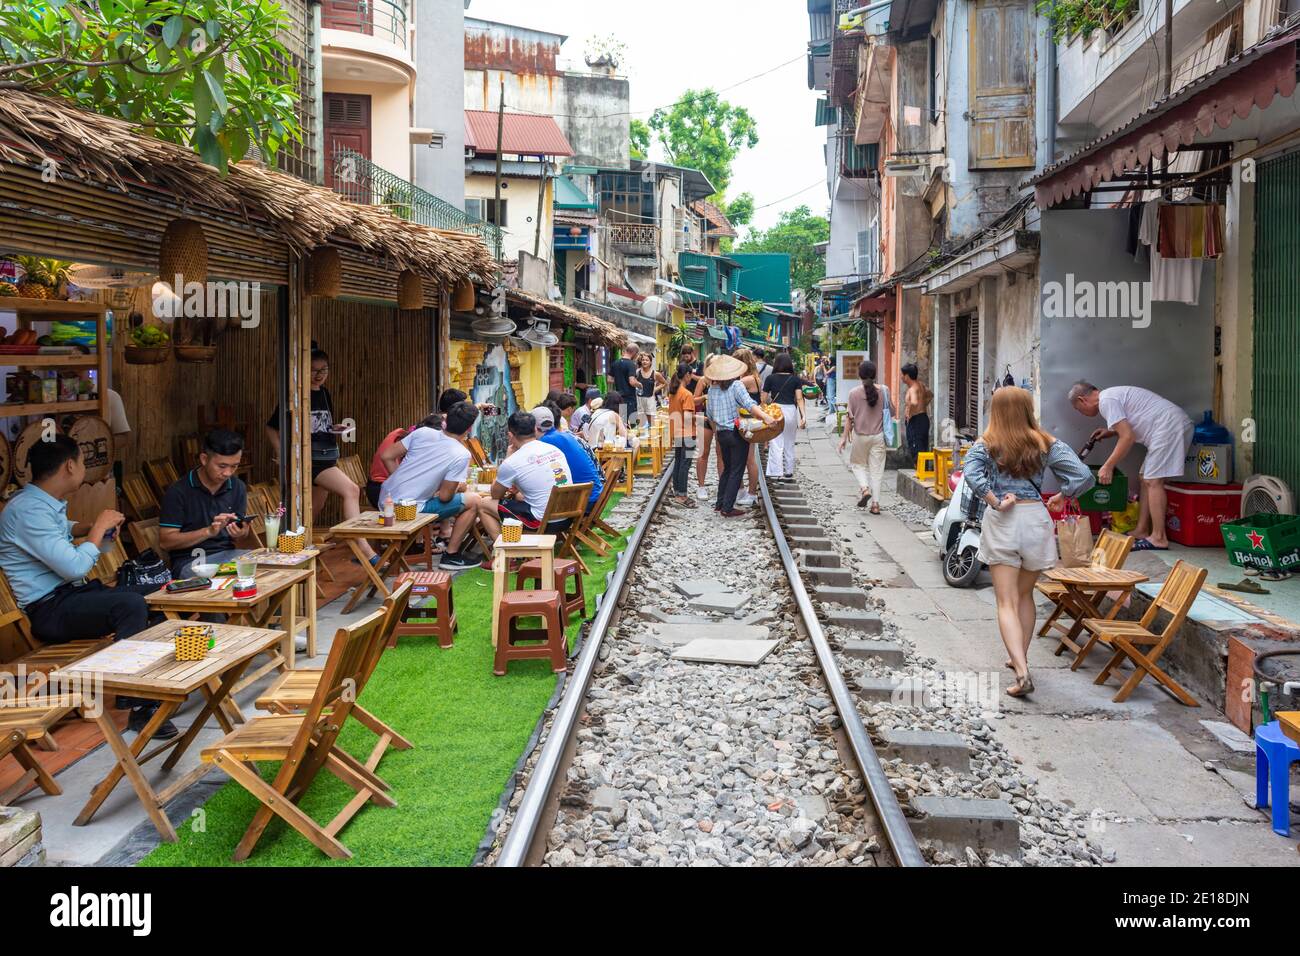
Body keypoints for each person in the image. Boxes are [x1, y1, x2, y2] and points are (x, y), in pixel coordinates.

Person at [0, 435, 174, 736]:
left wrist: (91, 527)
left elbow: (60, 530)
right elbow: (74, 567)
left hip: (72, 598)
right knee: (130, 605)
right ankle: (140, 705)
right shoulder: (27, 511)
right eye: (82, 461)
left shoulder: (40, 504)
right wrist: (98, 529)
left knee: (160, 591)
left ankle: (144, 685)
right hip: (50, 610)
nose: (83, 467)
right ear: (70, 465)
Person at [962, 388, 1094, 698]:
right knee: (1024, 595)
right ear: (1027, 409)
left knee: (1006, 601)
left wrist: (996, 501)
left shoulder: (986, 443)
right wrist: (1063, 495)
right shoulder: (1046, 442)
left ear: (996, 411)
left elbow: (971, 474)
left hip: (1004, 519)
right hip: (1036, 519)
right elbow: (1083, 475)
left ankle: (1021, 671)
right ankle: (1019, 656)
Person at [265, 347, 377, 563]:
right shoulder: (296, 396)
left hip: (327, 455)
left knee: (313, 511)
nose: (319, 375)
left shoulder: (324, 393)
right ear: (304, 370)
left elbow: (319, 425)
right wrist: (281, 453)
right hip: (311, 461)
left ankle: (296, 552)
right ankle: (365, 550)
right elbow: (271, 427)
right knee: (351, 490)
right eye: (314, 370)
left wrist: (334, 428)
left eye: (323, 369)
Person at [1068, 381, 1193, 550]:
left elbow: (1127, 437)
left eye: (1078, 409)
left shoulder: (1106, 401)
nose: (1081, 413)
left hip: (1169, 426)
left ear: (1082, 400)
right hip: (1167, 426)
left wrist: (1108, 466)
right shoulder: (1110, 396)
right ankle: (1142, 530)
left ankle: (1159, 537)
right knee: (1145, 478)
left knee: (1153, 481)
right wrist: (1111, 431)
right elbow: (1129, 424)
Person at [379, 401, 483, 571]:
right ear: (469, 428)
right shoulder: (461, 453)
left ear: (446, 419)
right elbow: (445, 497)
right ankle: (451, 555)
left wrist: (402, 484)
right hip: (411, 509)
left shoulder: (422, 432)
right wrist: (456, 487)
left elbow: (387, 455)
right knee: (475, 501)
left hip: (385, 499)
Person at [159, 429, 253, 578]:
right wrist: (208, 531)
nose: (228, 473)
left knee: (264, 568)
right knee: (235, 578)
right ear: (204, 459)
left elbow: (242, 533)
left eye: (234, 466)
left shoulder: (237, 487)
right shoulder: (178, 491)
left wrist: (242, 532)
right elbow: (166, 542)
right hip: (192, 561)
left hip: (228, 555)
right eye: (222, 466)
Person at [475, 412, 573, 548]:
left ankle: (506, 551)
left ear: (510, 435)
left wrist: (508, 458)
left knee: (483, 504)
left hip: (541, 521)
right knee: (519, 497)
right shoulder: (554, 450)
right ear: (535, 429)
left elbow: (495, 495)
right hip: (567, 517)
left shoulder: (512, 461)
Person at [702, 353, 775, 516]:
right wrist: (766, 417)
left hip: (721, 433)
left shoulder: (712, 390)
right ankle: (727, 508)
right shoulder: (736, 386)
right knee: (736, 470)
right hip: (735, 434)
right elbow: (750, 405)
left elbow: (710, 415)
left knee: (727, 468)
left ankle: (720, 503)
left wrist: (717, 431)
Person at [838, 360, 896, 514]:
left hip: (860, 436)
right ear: (875, 374)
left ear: (860, 375)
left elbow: (849, 419)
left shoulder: (853, 393)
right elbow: (892, 412)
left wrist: (843, 438)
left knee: (857, 465)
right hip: (878, 436)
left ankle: (864, 489)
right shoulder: (884, 390)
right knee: (877, 471)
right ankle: (875, 505)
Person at [534, 404, 603, 512]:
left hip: (582, 502)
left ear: (533, 427)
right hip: (593, 496)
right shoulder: (567, 436)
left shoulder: (544, 443)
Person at [762, 353, 807, 480]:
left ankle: (776, 471)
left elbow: (763, 399)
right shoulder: (795, 379)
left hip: (775, 411)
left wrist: (764, 412)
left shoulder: (770, 378)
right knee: (789, 441)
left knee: (775, 442)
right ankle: (788, 471)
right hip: (791, 411)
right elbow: (799, 398)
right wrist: (803, 416)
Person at [731, 348, 764, 506]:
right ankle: (744, 491)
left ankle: (751, 494)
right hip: (749, 422)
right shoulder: (754, 377)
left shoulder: (746, 380)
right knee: (744, 458)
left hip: (748, 423)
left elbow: (731, 388)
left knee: (749, 459)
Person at [667, 361, 698, 507]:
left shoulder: (673, 392)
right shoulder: (687, 394)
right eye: (691, 375)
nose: (691, 378)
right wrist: (702, 418)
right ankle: (682, 496)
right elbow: (687, 418)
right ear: (687, 375)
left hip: (677, 432)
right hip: (688, 433)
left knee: (679, 462)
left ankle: (677, 491)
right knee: (685, 464)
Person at [901, 362, 932, 462]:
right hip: (923, 418)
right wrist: (923, 405)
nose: (901, 377)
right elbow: (930, 395)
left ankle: (920, 469)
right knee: (922, 447)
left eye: (902, 375)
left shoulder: (912, 389)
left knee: (916, 448)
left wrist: (909, 413)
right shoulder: (921, 385)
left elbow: (914, 402)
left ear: (907, 376)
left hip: (916, 420)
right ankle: (923, 469)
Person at [609, 344, 640, 424]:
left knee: (623, 422)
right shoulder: (631, 364)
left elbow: (609, 380)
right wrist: (639, 384)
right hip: (629, 398)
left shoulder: (615, 363)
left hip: (619, 398)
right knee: (632, 423)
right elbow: (632, 381)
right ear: (634, 353)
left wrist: (619, 380)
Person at [634, 352, 666, 428]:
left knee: (651, 423)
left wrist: (655, 389)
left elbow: (664, 383)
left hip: (650, 399)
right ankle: (642, 434)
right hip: (639, 399)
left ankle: (651, 434)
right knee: (641, 424)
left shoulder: (655, 374)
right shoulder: (637, 372)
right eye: (643, 360)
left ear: (650, 362)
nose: (644, 362)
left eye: (647, 360)